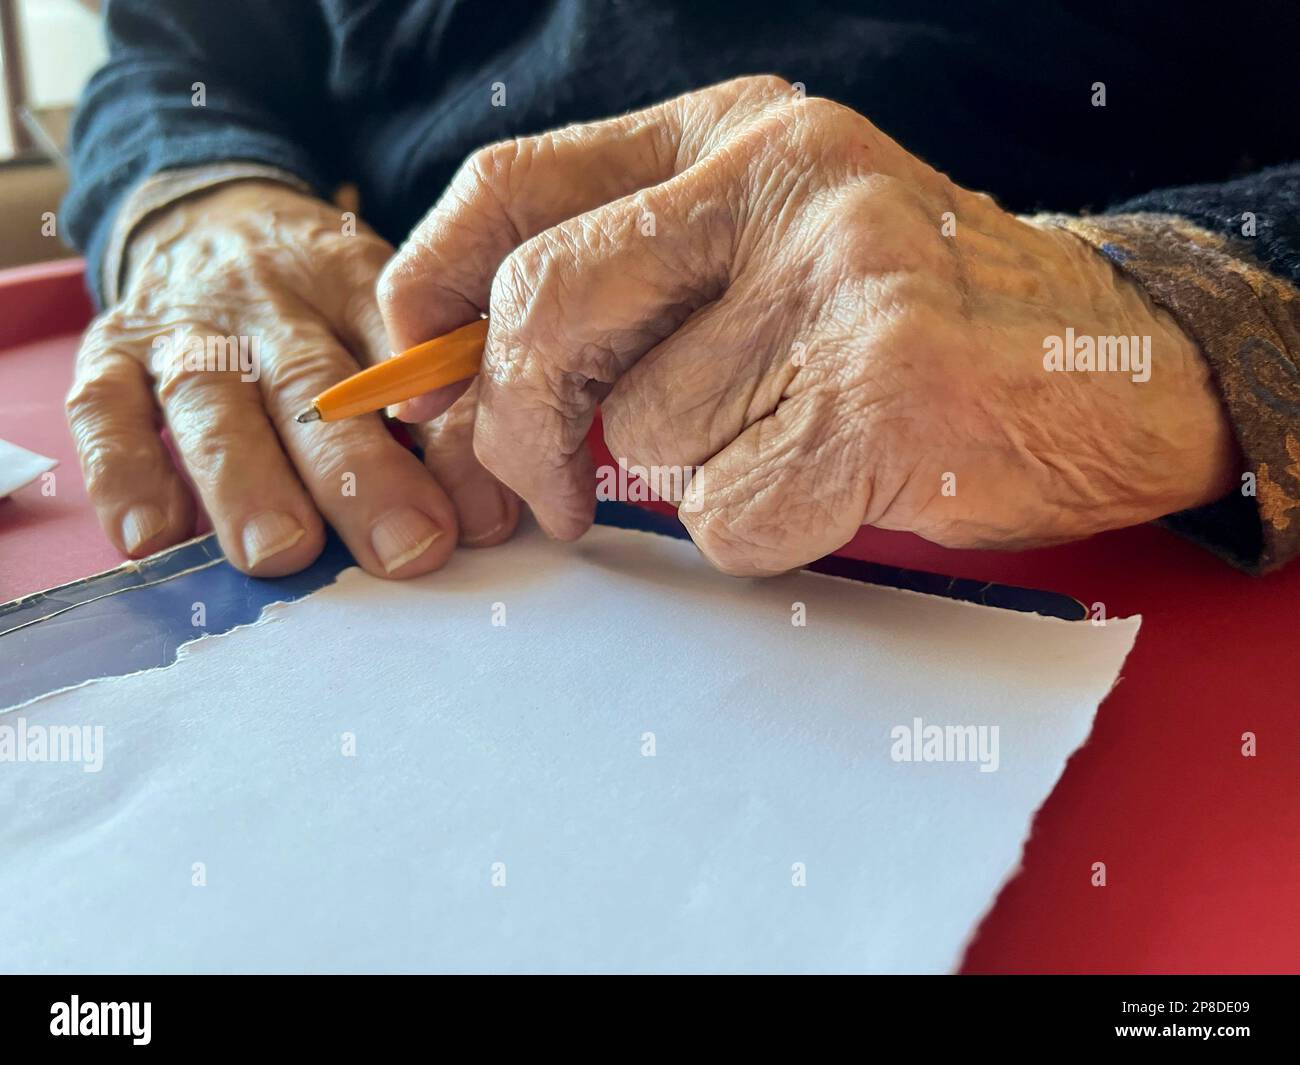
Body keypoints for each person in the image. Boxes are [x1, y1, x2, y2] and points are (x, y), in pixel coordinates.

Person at [62, 1, 1300, 579]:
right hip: (442, 436)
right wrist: (200, 202)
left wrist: (1179, 311)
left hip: (1079, 490)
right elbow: (181, 50)